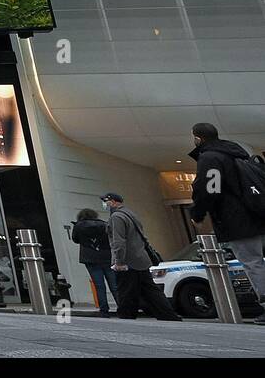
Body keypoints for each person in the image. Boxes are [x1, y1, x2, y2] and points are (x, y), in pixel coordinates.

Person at [188, 123, 265, 325]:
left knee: (252, 262)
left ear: (198, 138)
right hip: (256, 212)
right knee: (257, 260)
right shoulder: (236, 152)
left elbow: (211, 189)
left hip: (237, 218)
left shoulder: (210, 157)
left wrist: (197, 213)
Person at [102, 193, 181, 322]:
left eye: (106, 201)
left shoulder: (116, 217)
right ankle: (168, 315)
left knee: (126, 292)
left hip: (127, 261)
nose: (105, 204)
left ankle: (126, 317)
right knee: (150, 290)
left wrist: (119, 261)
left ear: (114, 202)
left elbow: (119, 241)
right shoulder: (130, 214)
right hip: (141, 258)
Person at [71, 208, 118, 317]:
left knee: (99, 285)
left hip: (90, 258)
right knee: (114, 284)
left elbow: (75, 240)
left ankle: (104, 310)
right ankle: (122, 306)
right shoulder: (103, 224)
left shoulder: (78, 226)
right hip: (106, 256)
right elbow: (111, 238)